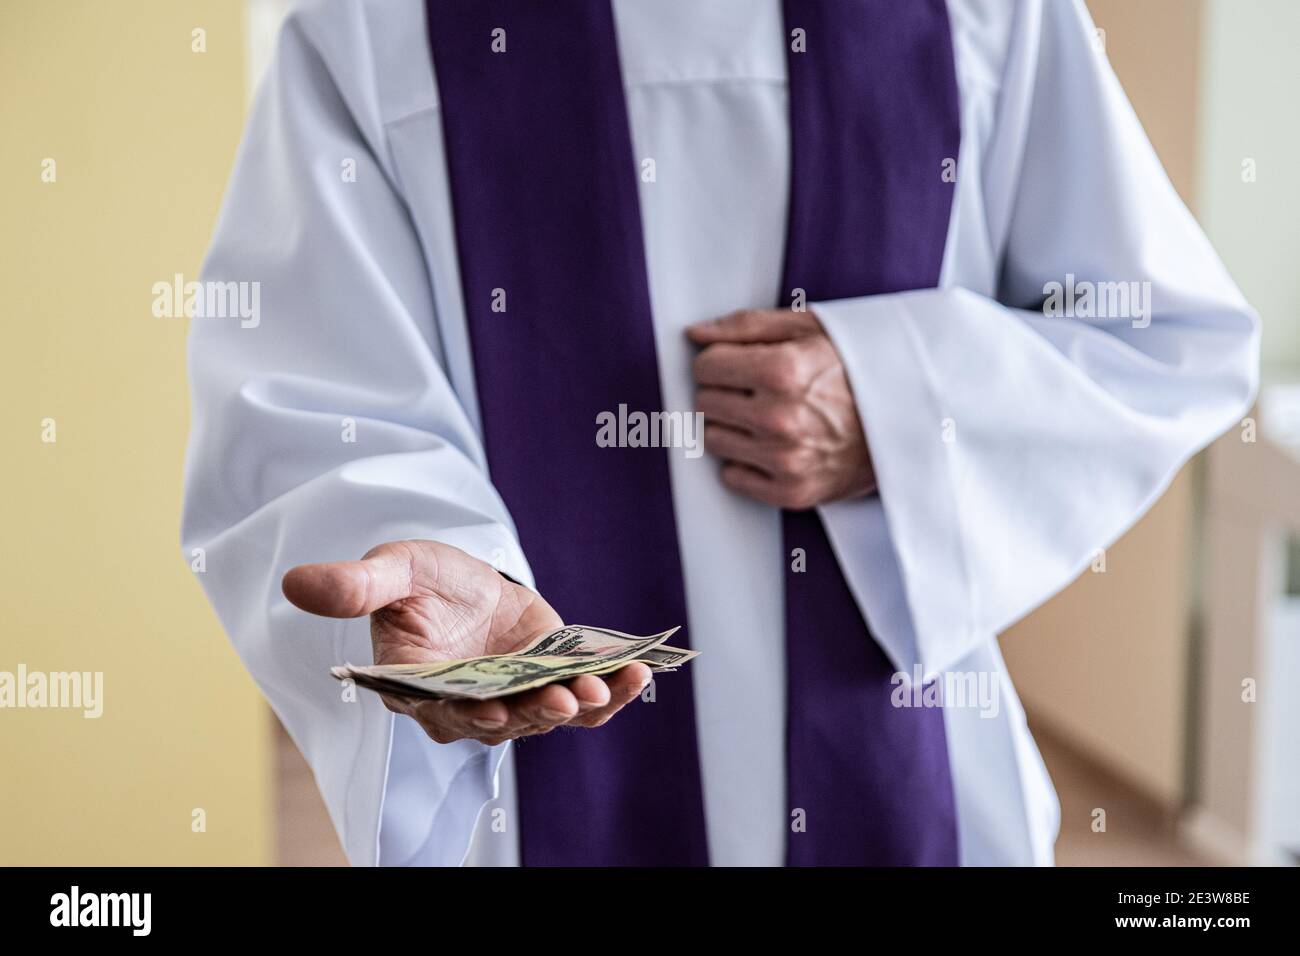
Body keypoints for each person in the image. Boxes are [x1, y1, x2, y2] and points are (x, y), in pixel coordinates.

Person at [182, 0, 1259, 866]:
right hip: (533, 796)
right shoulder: (369, 27)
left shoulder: (990, 11)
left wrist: (900, 398)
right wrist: (421, 548)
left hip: (907, 775)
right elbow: (308, 395)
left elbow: (1158, 336)